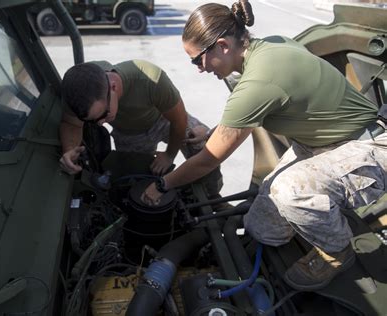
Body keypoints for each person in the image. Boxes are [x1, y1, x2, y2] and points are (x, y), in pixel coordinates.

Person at [142, 0, 386, 291]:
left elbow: (208, 161)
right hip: (323, 144)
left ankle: (337, 251)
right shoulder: (266, 47)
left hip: (368, 146)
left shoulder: (259, 80)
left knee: (290, 192)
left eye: (198, 60)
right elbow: (247, 115)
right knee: (262, 228)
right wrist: (211, 136)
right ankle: (316, 220)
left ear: (222, 45)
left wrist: (162, 185)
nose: (199, 69)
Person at [59, 59, 222, 196]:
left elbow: (179, 120)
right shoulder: (78, 90)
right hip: (129, 135)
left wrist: (169, 155)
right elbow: (72, 123)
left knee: (205, 146)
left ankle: (213, 197)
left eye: (104, 115)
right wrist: (70, 150)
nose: (101, 124)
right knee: (134, 181)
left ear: (113, 87)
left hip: (162, 120)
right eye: (93, 121)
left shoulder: (151, 79)